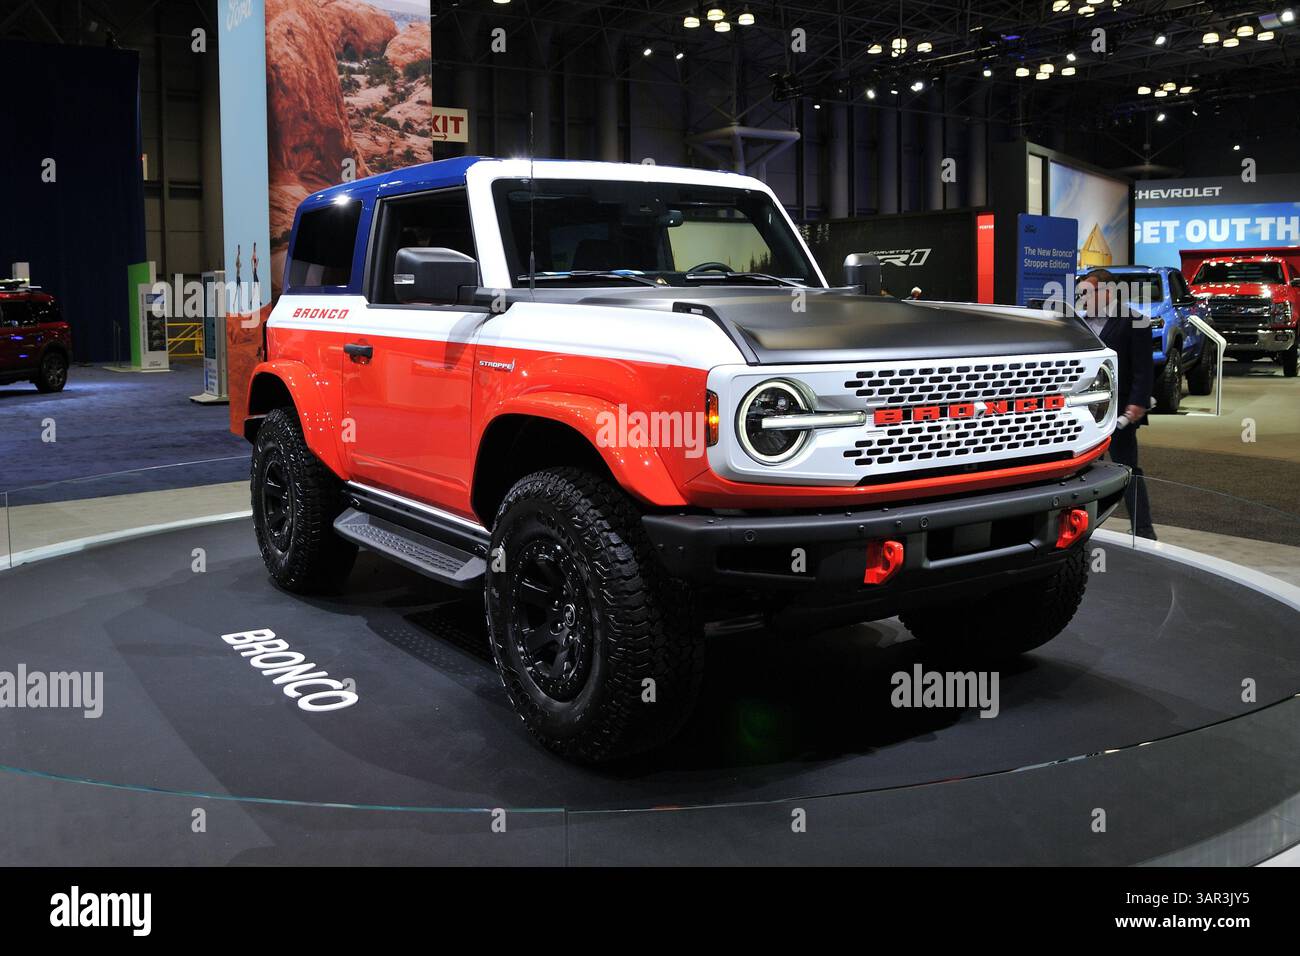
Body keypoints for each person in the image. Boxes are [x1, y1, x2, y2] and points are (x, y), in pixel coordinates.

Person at [1077, 268, 1157, 539]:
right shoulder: (1079, 323)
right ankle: (1083, 527)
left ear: (1108, 292)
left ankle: (1144, 530)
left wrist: (1136, 403)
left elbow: (1143, 370)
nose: (1083, 298)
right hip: (1086, 413)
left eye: (1087, 293)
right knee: (1085, 472)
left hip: (1120, 413)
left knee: (1127, 470)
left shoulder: (1135, 321)